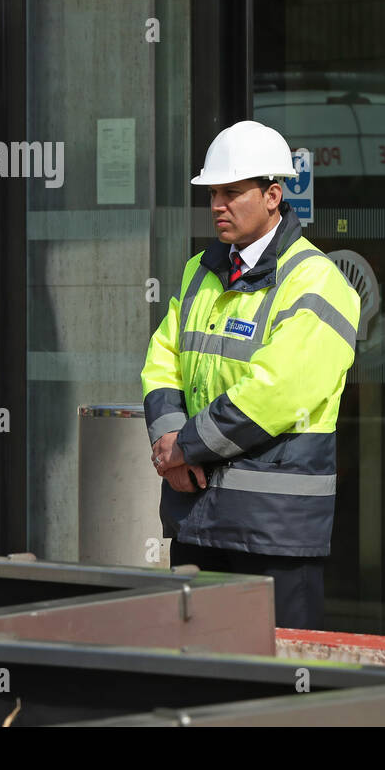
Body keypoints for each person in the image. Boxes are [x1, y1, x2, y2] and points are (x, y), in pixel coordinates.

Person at [140, 120, 360, 629]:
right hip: (197, 520)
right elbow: (162, 358)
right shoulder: (201, 268)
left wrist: (185, 447)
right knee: (201, 680)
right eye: (213, 192)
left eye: (232, 192)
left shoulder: (314, 279)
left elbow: (278, 392)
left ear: (272, 196)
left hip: (272, 534)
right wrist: (169, 439)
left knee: (280, 691)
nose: (217, 204)